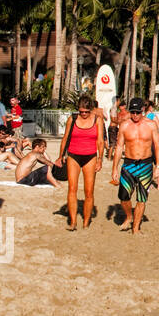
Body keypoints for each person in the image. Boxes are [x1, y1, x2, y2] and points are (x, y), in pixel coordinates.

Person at [112, 98, 159, 235]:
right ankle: (129, 216)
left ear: (142, 111)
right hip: (129, 164)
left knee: (141, 198)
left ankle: (136, 228)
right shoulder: (124, 125)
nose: (135, 115)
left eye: (137, 112)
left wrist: (158, 166)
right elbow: (118, 147)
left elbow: (157, 146)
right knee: (123, 196)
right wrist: (114, 169)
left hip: (146, 164)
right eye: (132, 112)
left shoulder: (151, 125)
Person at [57, 95, 105, 229]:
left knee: (89, 191)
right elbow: (65, 138)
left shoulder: (97, 120)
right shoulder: (72, 119)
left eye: (86, 112)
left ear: (91, 110)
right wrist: (60, 156)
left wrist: (100, 159)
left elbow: (100, 141)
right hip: (73, 156)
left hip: (90, 156)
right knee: (72, 189)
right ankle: (73, 222)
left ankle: (86, 222)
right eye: (81, 111)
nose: (83, 114)